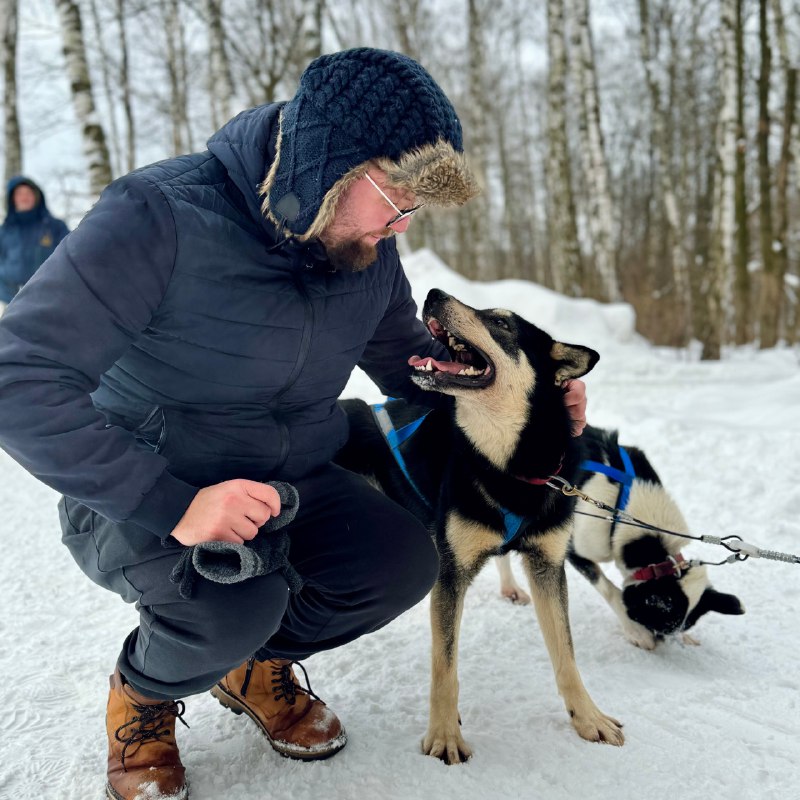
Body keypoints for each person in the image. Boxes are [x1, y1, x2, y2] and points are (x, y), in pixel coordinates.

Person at [0, 49, 588, 799]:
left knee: (399, 564)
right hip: (150, 483)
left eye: (415, 208)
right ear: (325, 166)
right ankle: (145, 694)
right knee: (232, 605)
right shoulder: (157, 216)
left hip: (288, 480)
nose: (400, 224)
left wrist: (514, 397)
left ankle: (245, 664)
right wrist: (173, 504)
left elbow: (404, 359)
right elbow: (19, 377)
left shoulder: (362, 247)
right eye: (393, 198)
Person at [0, 176, 69, 311]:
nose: (24, 197)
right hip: (10, 304)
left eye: (28, 193)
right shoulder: (4, 232)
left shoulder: (55, 227)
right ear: (12, 199)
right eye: (19, 193)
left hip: (51, 302)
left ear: (37, 196)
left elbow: (71, 257)